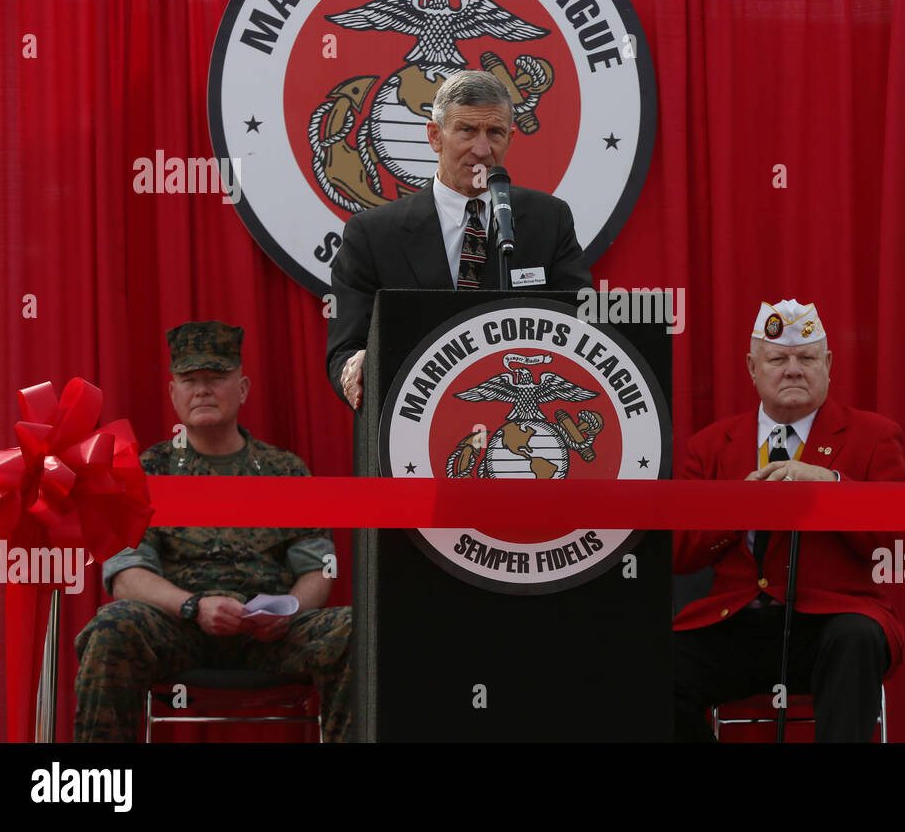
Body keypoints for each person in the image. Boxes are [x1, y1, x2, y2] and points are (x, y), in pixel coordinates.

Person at [73, 320, 352, 742]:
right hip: (179, 627)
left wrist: (289, 608)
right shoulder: (148, 470)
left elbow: (320, 569)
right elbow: (126, 575)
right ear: (174, 394)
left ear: (241, 389)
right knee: (113, 628)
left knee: (355, 631)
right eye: (189, 380)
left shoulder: (285, 471)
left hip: (269, 637)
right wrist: (194, 606)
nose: (202, 390)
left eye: (216, 378)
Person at [673, 300, 905, 742]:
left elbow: (894, 548)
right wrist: (736, 507)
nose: (794, 369)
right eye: (778, 358)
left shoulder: (875, 436)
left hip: (832, 621)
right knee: (652, 668)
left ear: (828, 364)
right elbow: (681, 553)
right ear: (752, 366)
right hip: (738, 621)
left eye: (807, 358)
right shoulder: (709, 447)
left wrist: (832, 486)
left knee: (855, 637)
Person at [326, 68, 593, 408]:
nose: (482, 149)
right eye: (467, 130)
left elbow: (583, 325)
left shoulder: (549, 220)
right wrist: (357, 364)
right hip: (416, 420)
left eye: (494, 133)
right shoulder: (374, 234)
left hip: (517, 410)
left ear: (511, 137)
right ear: (435, 136)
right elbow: (345, 350)